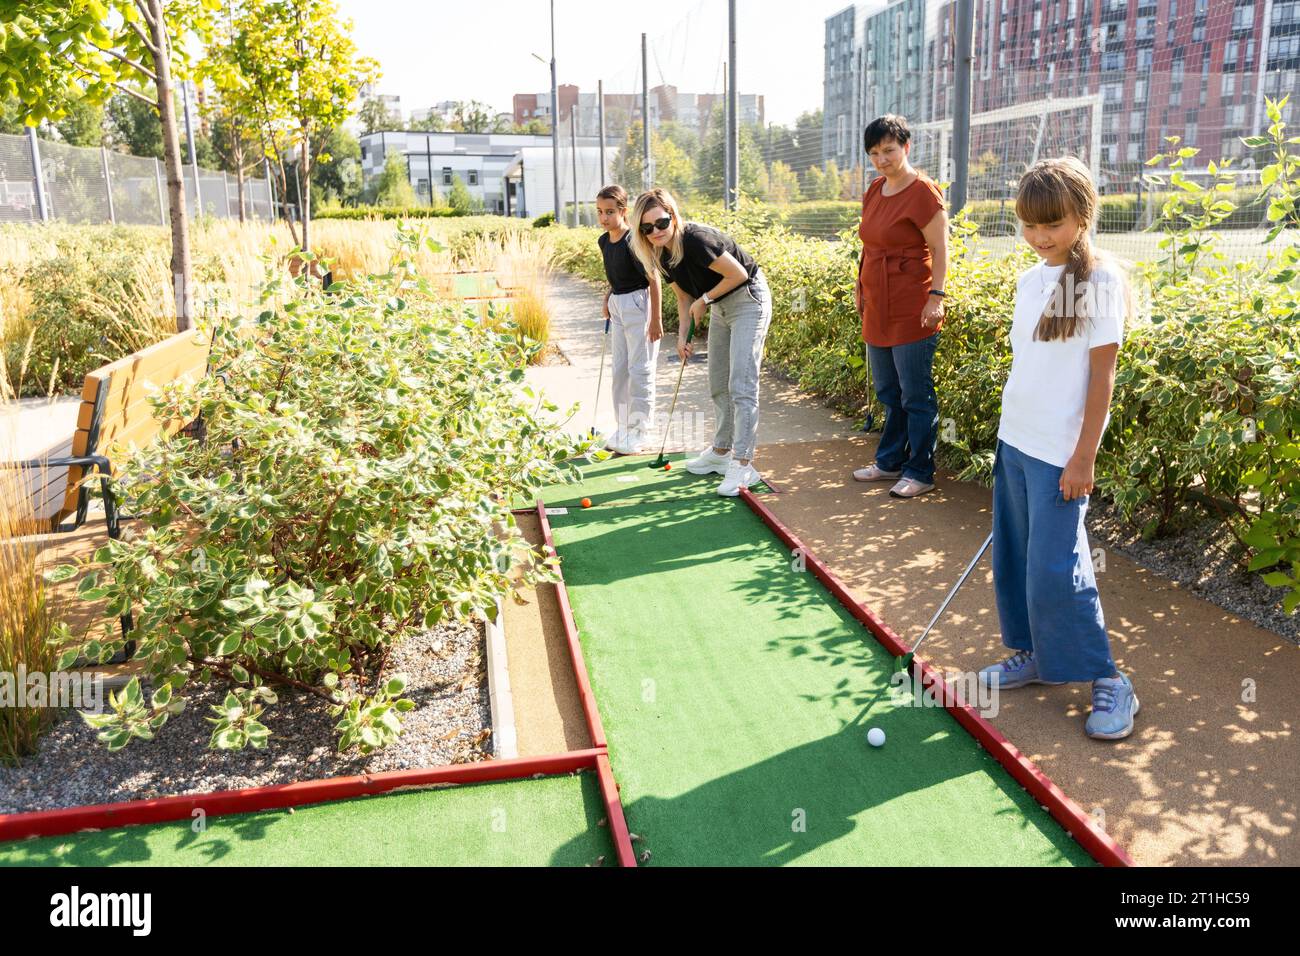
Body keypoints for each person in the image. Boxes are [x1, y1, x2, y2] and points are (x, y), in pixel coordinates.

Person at [978, 156, 1138, 741]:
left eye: (1054, 224)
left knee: (1056, 569)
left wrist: (1083, 456)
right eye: (1030, 225)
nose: (1041, 237)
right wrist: (1006, 436)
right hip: (1015, 440)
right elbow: (1032, 365)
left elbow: (1103, 379)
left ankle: (1110, 679)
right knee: (1016, 563)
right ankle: (1034, 657)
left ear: (1083, 217)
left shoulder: (1100, 282)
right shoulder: (1030, 281)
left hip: (1061, 454)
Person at [628, 187, 773, 497]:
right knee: (718, 382)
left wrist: (705, 300)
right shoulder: (659, 252)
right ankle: (721, 452)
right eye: (647, 227)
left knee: (741, 385)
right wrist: (682, 336)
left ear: (673, 216)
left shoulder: (695, 239)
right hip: (721, 305)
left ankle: (743, 463)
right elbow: (684, 298)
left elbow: (737, 275)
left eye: (662, 222)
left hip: (748, 299)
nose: (656, 231)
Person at [851, 114, 949, 498]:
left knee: (916, 394)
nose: (882, 159)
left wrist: (936, 297)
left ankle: (920, 471)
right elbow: (870, 244)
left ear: (906, 147)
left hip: (913, 305)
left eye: (889, 150)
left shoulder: (924, 192)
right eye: (874, 153)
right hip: (877, 304)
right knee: (889, 391)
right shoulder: (875, 190)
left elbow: (941, 250)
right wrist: (861, 286)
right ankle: (890, 461)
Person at [596, 185, 662, 454]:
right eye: (600, 212)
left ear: (623, 211)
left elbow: (653, 278)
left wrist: (655, 319)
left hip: (638, 303)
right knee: (620, 370)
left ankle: (640, 430)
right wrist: (607, 299)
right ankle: (623, 426)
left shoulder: (632, 241)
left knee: (640, 369)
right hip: (618, 304)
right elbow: (614, 277)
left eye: (610, 212)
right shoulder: (603, 241)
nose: (604, 217)